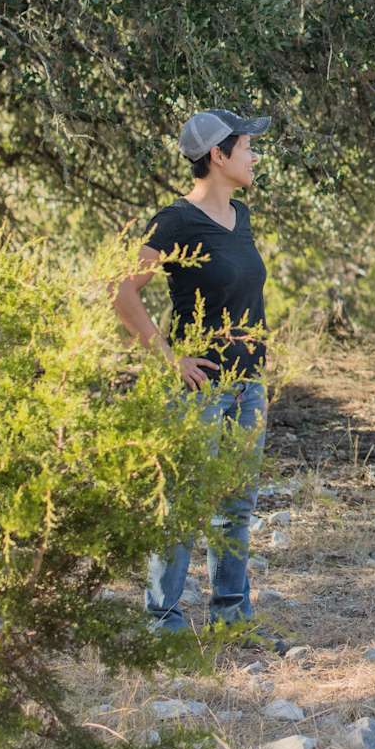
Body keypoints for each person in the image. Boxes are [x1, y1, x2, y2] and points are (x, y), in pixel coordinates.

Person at [112, 108, 283, 647]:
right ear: (218, 155)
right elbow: (123, 293)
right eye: (247, 147)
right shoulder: (176, 221)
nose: (254, 156)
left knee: (236, 505)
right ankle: (163, 624)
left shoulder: (243, 217)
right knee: (184, 502)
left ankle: (232, 618)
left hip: (247, 384)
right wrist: (170, 359)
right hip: (200, 388)